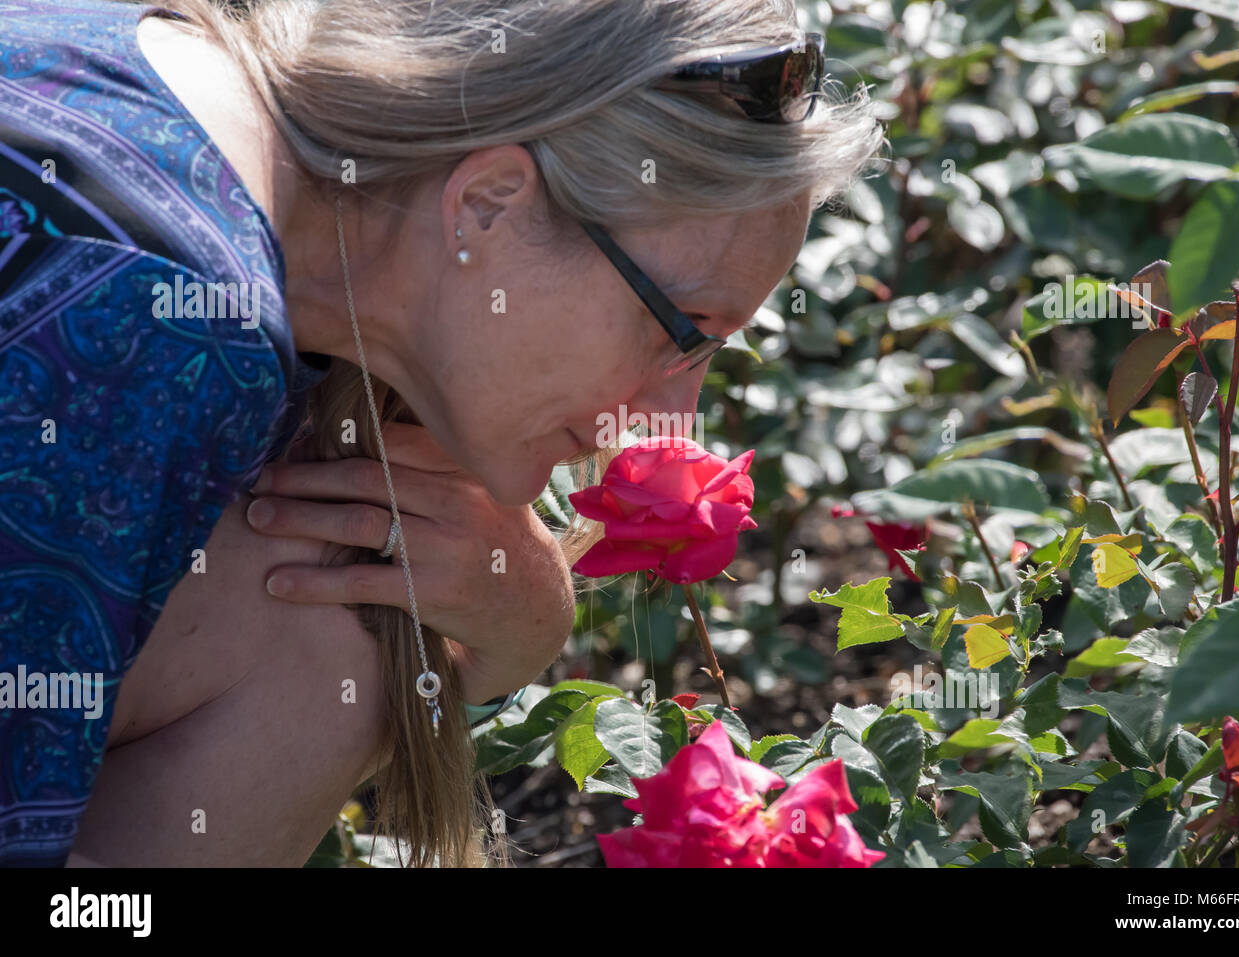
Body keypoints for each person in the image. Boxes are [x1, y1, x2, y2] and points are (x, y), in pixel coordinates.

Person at [0, 0, 886, 866]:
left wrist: (520, 615)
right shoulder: (159, 315)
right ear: (488, 204)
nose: (666, 424)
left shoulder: (154, 70)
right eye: (681, 331)